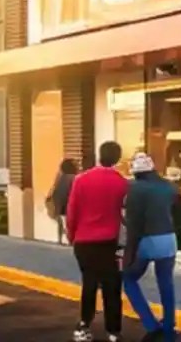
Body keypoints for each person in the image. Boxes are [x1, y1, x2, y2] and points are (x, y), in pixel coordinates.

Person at [66, 142, 128, 342]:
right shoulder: (121, 182)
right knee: (112, 286)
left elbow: (72, 211)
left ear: (99, 155)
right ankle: (113, 331)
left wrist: (71, 236)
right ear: (117, 159)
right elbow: (125, 213)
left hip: (83, 242)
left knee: (89, 284)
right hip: (108, 243)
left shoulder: (81, 180)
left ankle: (83, 326)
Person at [122, 152, 179, 342]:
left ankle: (150, 323)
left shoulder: (134, 189)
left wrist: (129, 253)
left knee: (129, 279)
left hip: (147, 240)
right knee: (166, 283)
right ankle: (169, 323)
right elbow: (180, 214)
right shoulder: (169, 187)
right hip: (169, 239)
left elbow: (134, 225)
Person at [48, 158, 78, 245]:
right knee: (68, 224)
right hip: (67, 206)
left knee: (61, 223)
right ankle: (69, 241)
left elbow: (55, 192)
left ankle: (60, 240)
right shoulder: (74, 178)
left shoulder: (60, 177)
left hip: (59, 205)